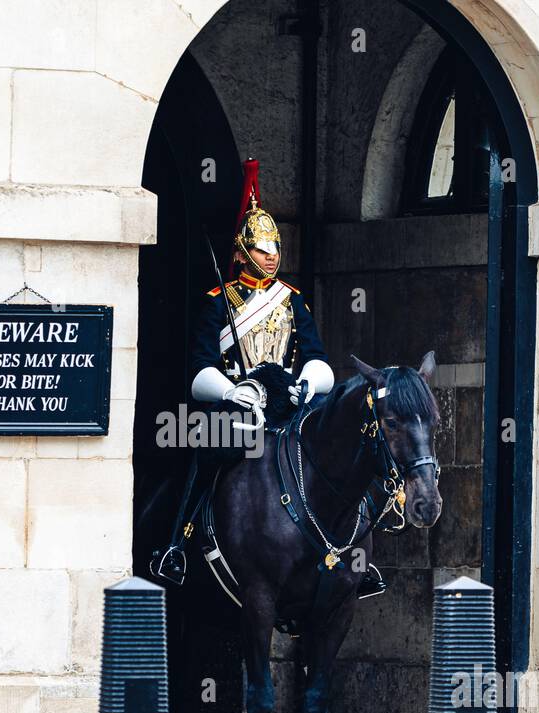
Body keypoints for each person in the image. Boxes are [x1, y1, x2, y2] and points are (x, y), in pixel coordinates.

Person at [151, 161, 385, 599]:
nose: (272, 255)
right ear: (241, 252)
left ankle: (363, 556)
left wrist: (308, 385)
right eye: (262, 248)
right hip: (237, 404)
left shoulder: (292, 302)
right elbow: (199, 369)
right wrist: (230, 390)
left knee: (347, 445)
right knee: (205, 452)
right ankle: (177, 544)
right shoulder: (219, 302)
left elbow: (317, 358)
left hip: (291, 404)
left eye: (275, 247)